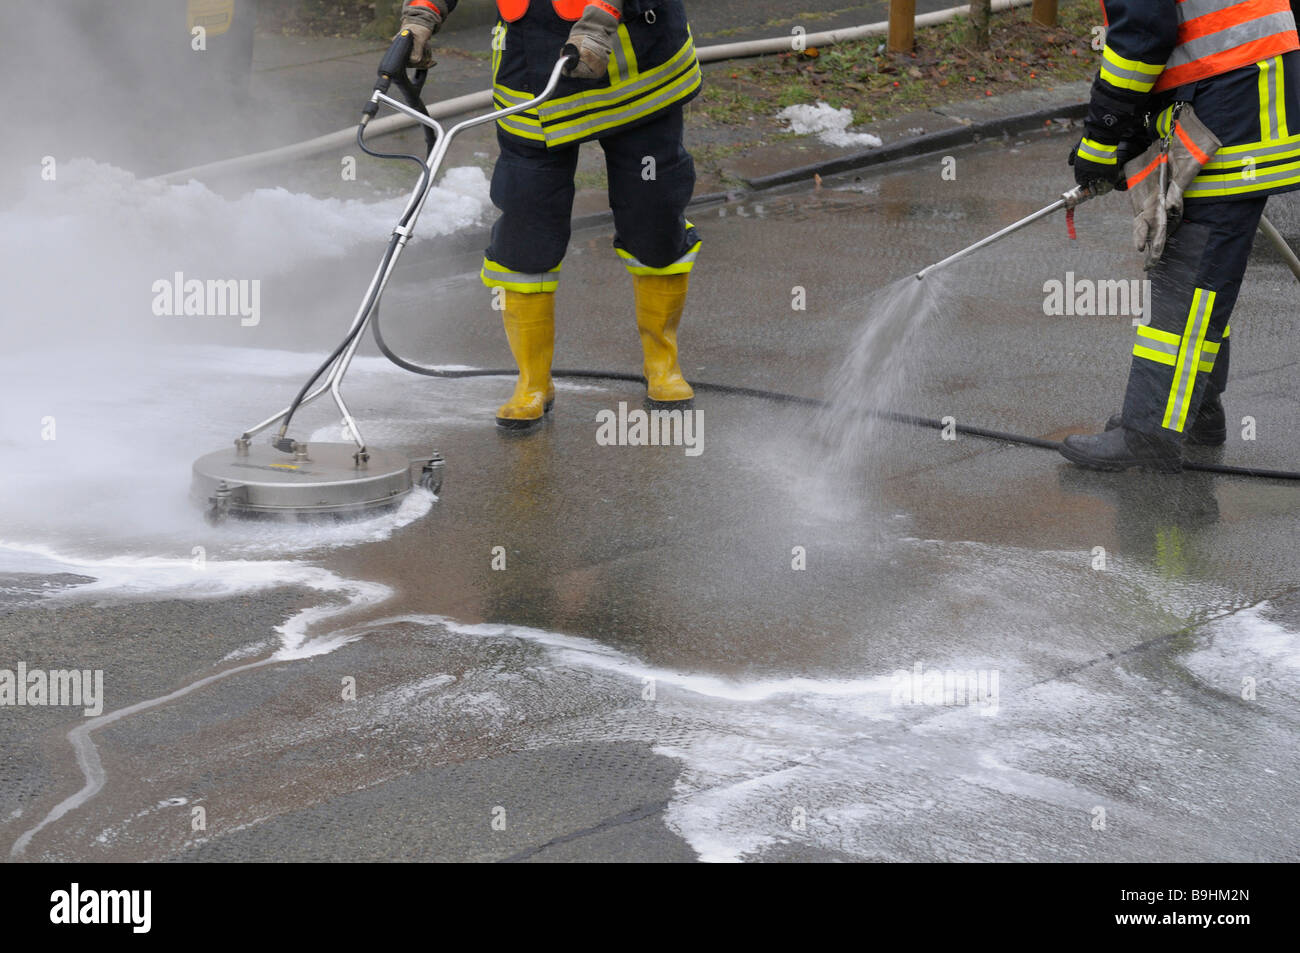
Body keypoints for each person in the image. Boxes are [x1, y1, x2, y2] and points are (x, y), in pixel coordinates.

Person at [400, 0, 703, 429]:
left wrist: (599, 22)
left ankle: (662, 362)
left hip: (638, 77)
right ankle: (532, 382)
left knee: (652, 213)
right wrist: (420, 15)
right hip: (533, 80)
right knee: (525, 225)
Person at [1060, 0, 1300, 470]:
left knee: (1190, 267)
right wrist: (1134, 126)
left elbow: (1144, 36)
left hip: (1233, 94)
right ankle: (1193, 412)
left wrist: (1103, 136)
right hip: (1241, 86)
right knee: (1197, 263)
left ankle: (1151, 431)